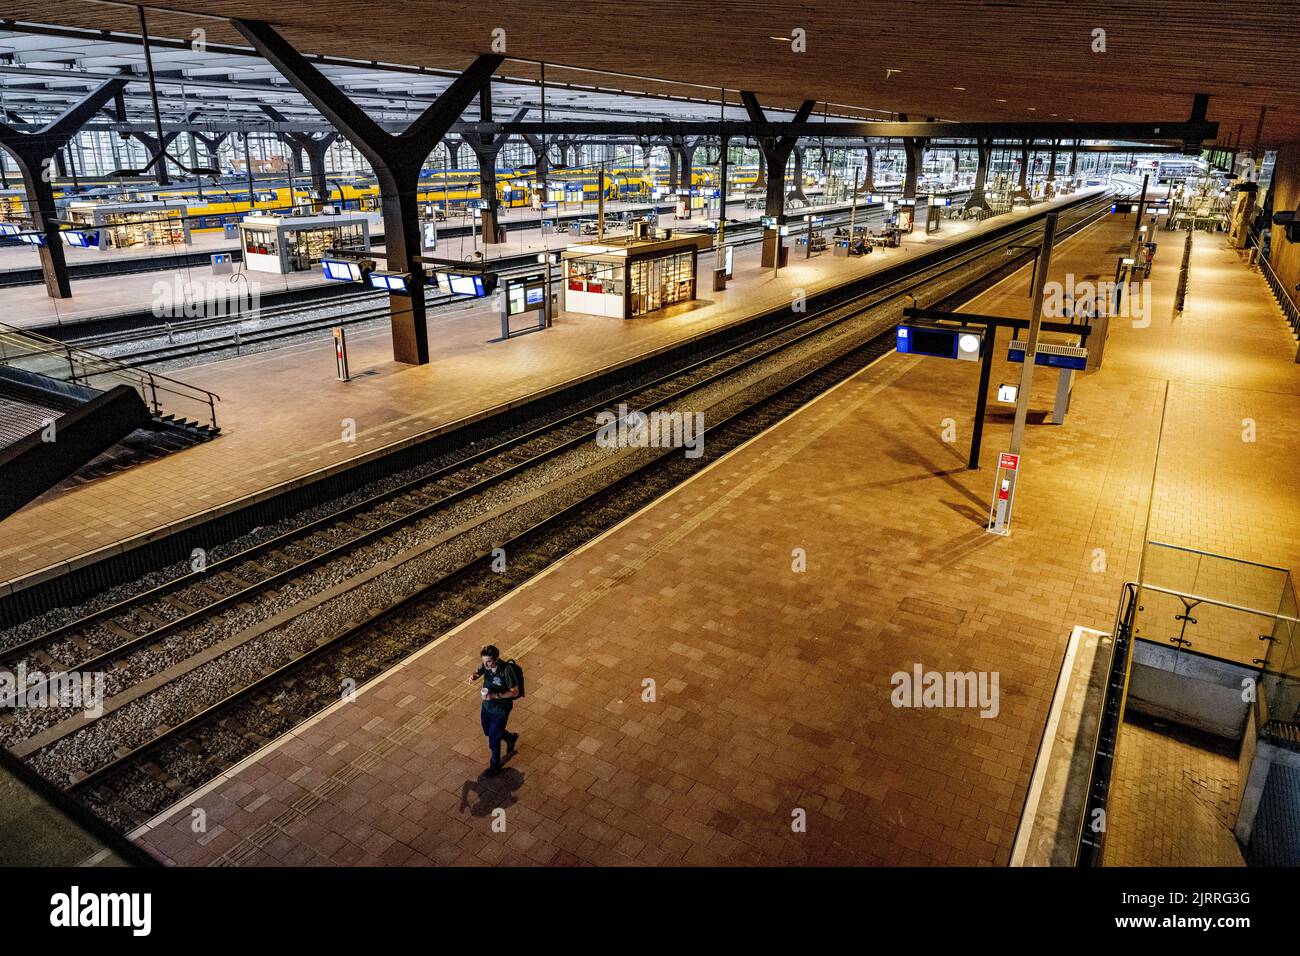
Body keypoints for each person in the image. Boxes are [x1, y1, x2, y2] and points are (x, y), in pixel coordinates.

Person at [471, 645, 520, 778]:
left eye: (489, 662)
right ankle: (510, 738)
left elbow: (515, 692)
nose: (486, 664)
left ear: (496, 659)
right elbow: (481, 669)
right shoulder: (485, 665)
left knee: (494, 739)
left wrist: (495, 696)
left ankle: (494, 766)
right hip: (486, 707)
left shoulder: (506, 670)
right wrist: (475, 676)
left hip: (500, 710)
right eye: (484, 661)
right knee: (488, 731)